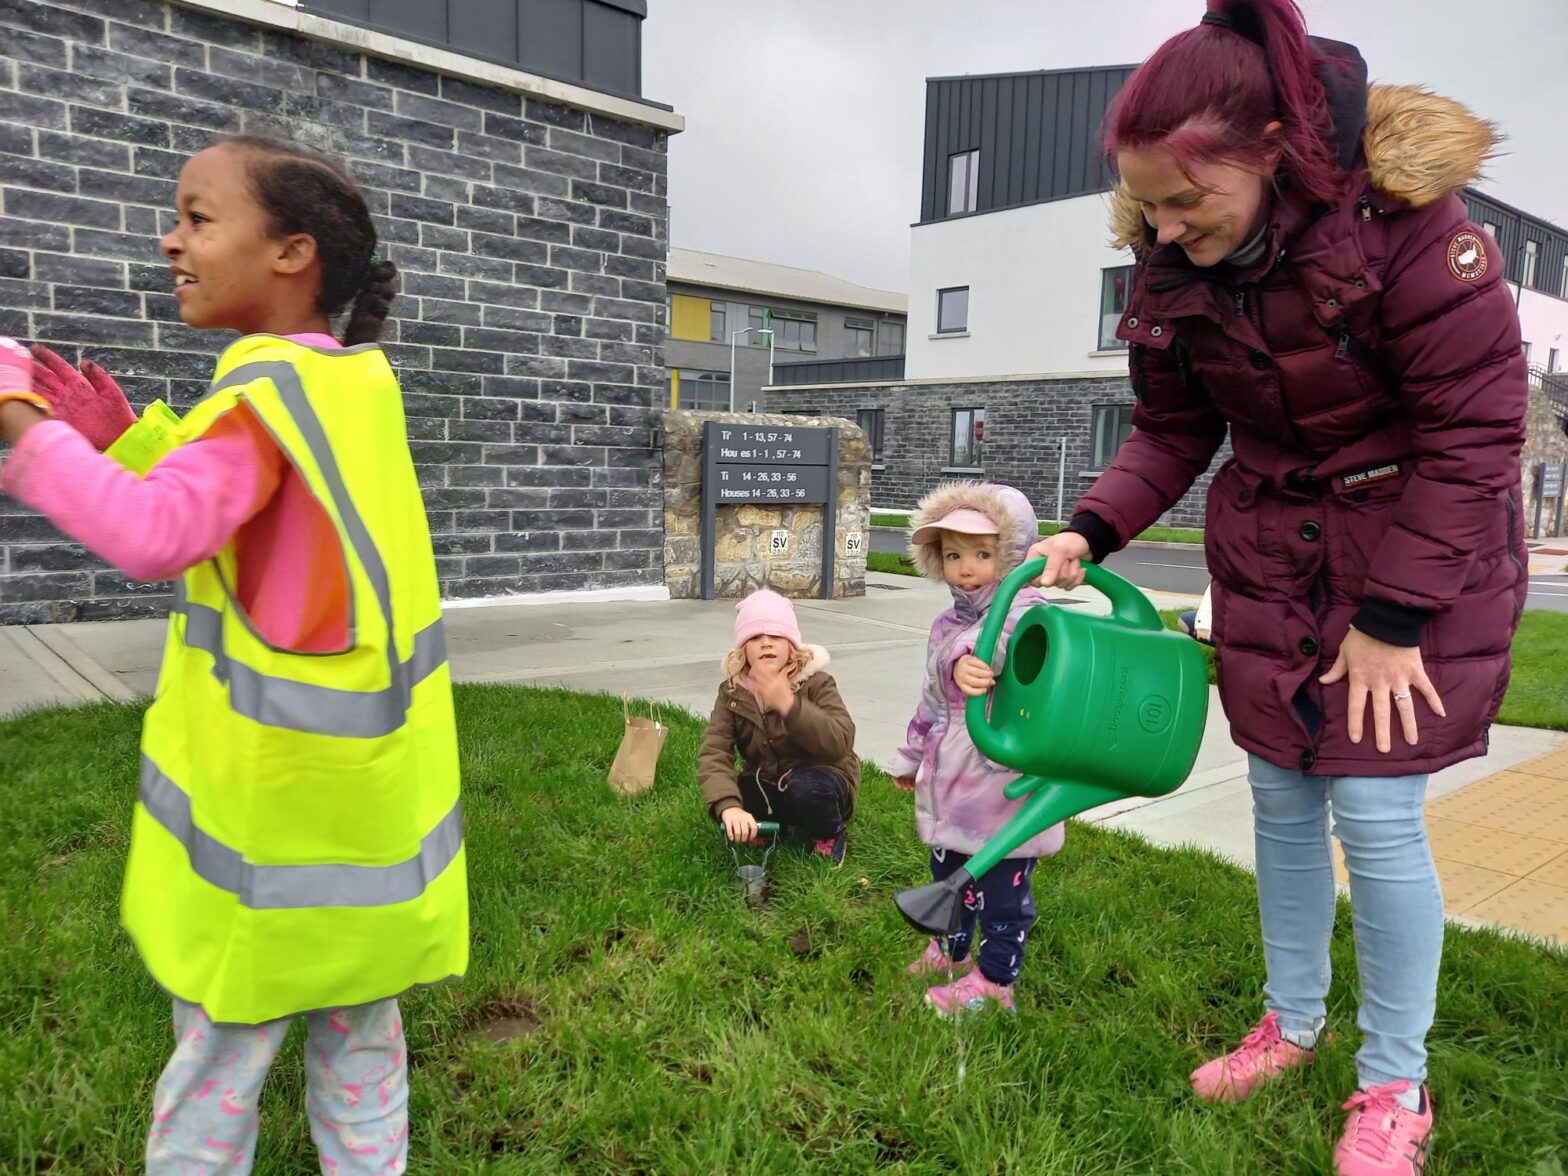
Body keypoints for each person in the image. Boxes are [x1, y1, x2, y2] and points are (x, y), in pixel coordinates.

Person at [1027, 3, 1528, 1171]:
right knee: (1282, 808)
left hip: (1409, 562)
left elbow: (1474, 435)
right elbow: (1169, 428)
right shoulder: (1173, 259)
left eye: (1183, 200)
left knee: (1373, 812)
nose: (1161, 224)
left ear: (1264, 146)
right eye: (1145, 203)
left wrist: (1393, 621)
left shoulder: (1411, 232)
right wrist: (1091, 530)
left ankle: (1392, 1083)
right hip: (1264, 558)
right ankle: (1290, 1025)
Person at [0, 135, 468, 1175]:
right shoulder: (346, 391)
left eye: (198, 218)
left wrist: (19, 422)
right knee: (362, 1046)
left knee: (218, 1062)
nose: (170, 240)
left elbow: (158, 536)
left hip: (266, 846)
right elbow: (275, 536)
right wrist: (127, 445)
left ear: (291, 253)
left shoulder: (260, 402)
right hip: (367, 835)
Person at [889, 482, 1066, 1017]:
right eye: (952, 555)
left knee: (1002, 890)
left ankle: (994, 982)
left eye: (983, 554)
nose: (966, 568)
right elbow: (933, 701)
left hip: (1003, 784)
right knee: (949, 872)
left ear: (1012, 555)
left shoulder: (1030, 617)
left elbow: (1018, 649)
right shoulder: (947, 624)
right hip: (953, 778)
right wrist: (912, 756)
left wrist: (976, 656)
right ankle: (950, 947)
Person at [697, 587, 858, 867]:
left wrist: (788, 704)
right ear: (743, 648)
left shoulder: (817, 683)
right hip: (768, 779)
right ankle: (773, 824)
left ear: (792, 645)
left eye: (776, 635)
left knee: (808, 789)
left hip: (822, 779)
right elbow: (715, 751)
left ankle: (828, 832)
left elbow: (840, 742)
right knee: (737, 788)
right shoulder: (733, 692)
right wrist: (729, 806)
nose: (766, 643)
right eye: (755, 637)